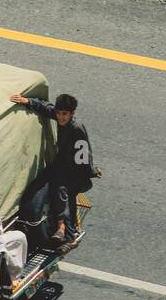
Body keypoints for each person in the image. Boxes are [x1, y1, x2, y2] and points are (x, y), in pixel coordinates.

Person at [9, 92, 103, 244]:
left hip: (75, 171)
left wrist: (92, 171)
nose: (60, 117)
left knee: (63, 192)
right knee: (46, 182)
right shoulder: (59, 117)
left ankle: (67, 233)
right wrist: (27, 101)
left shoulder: (77, 129)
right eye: (58, 114)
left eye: (64, 114)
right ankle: (61, 225)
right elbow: (46, 108)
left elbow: (84, 154)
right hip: (61, 164)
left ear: (72, 114)